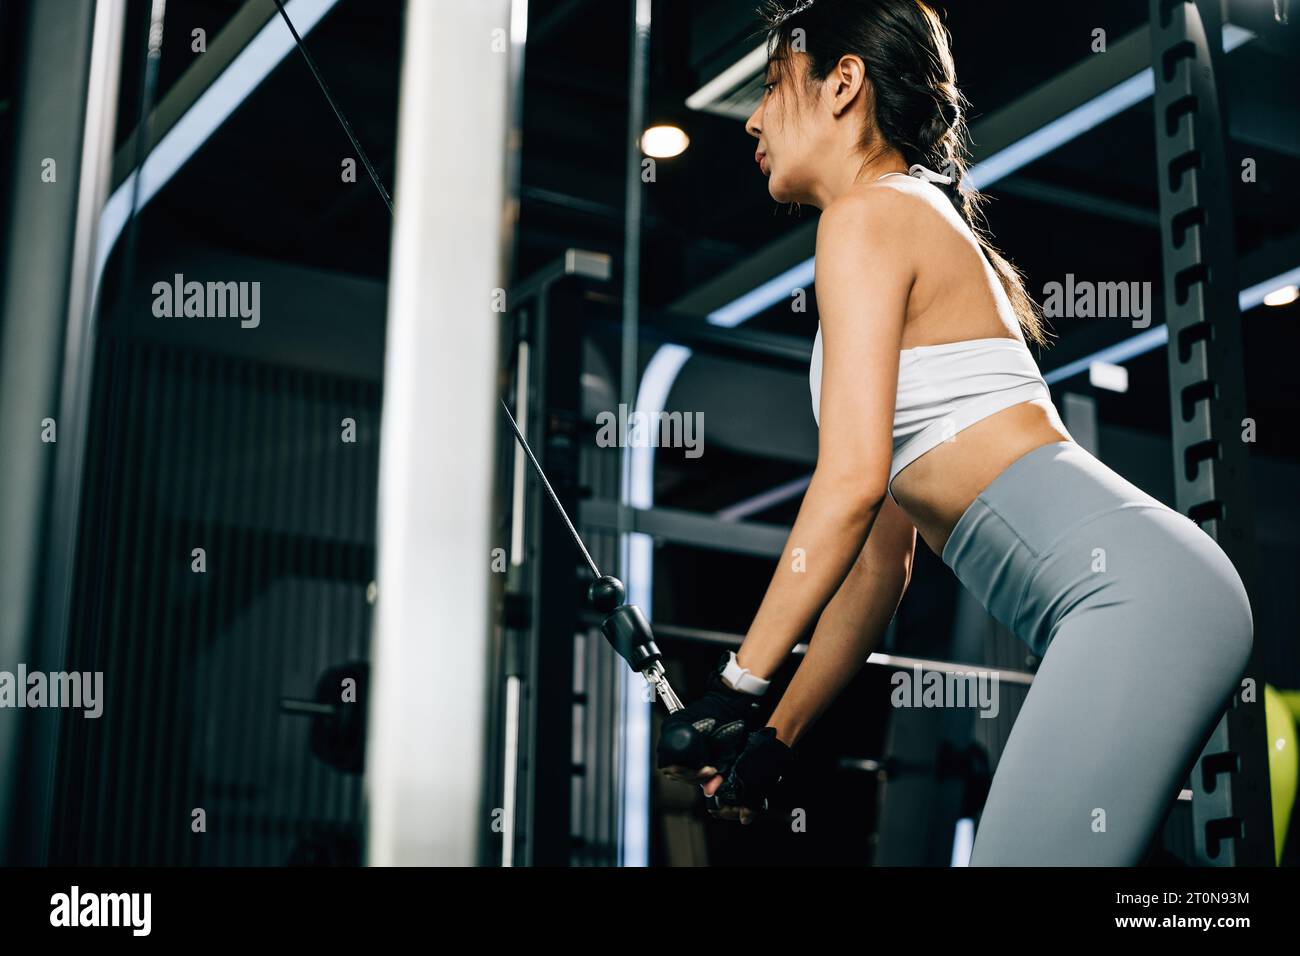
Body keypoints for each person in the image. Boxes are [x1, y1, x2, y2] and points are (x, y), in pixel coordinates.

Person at [656, 0, 1253, 865]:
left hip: (1135, 596)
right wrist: (774, 735)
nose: (749, 117)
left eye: (773, 85)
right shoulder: (896, 220)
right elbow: (877, 563)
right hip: (1146, 595)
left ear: (844, 84)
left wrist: (737, 679)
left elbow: (850, 482)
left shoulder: (866, 218)